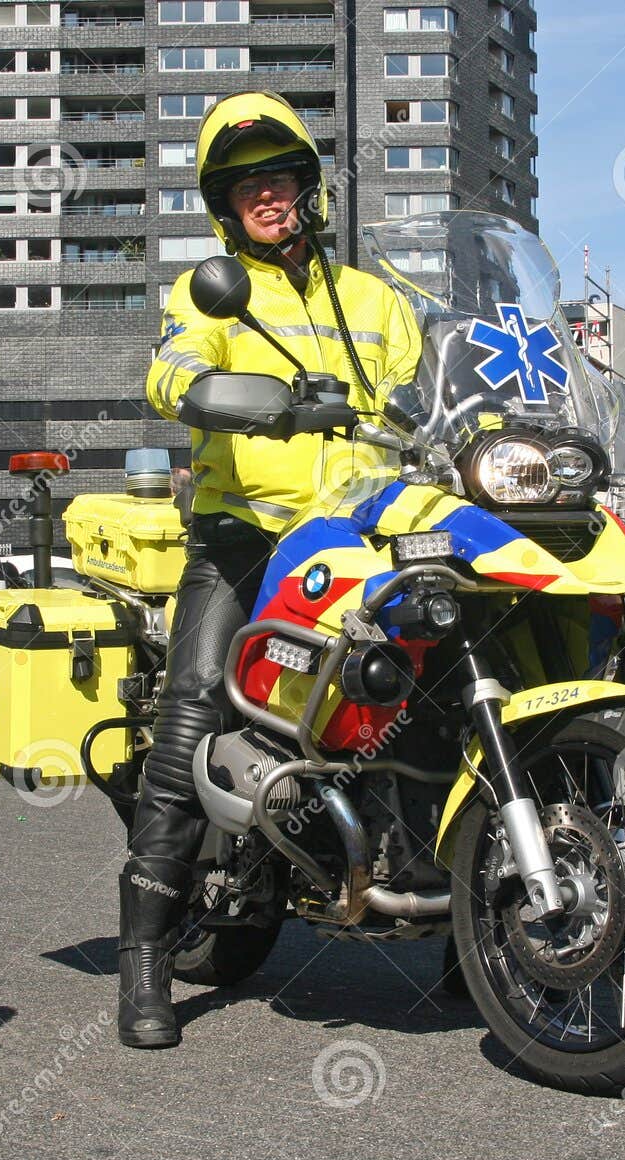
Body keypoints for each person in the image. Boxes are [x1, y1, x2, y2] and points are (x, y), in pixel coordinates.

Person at [122, 91, 421, 1047]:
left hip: (366, 535)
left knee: (440, 687)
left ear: (310, 187)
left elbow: (440, 392)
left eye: (280, 176)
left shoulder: (376, 300)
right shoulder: (210, 291)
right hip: (246, 532)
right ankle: (142, 962)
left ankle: (470, 923)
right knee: (192, 713)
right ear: (225, 204)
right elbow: (170, 373)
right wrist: (239, 400)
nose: (268, 196)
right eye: (247, 183)